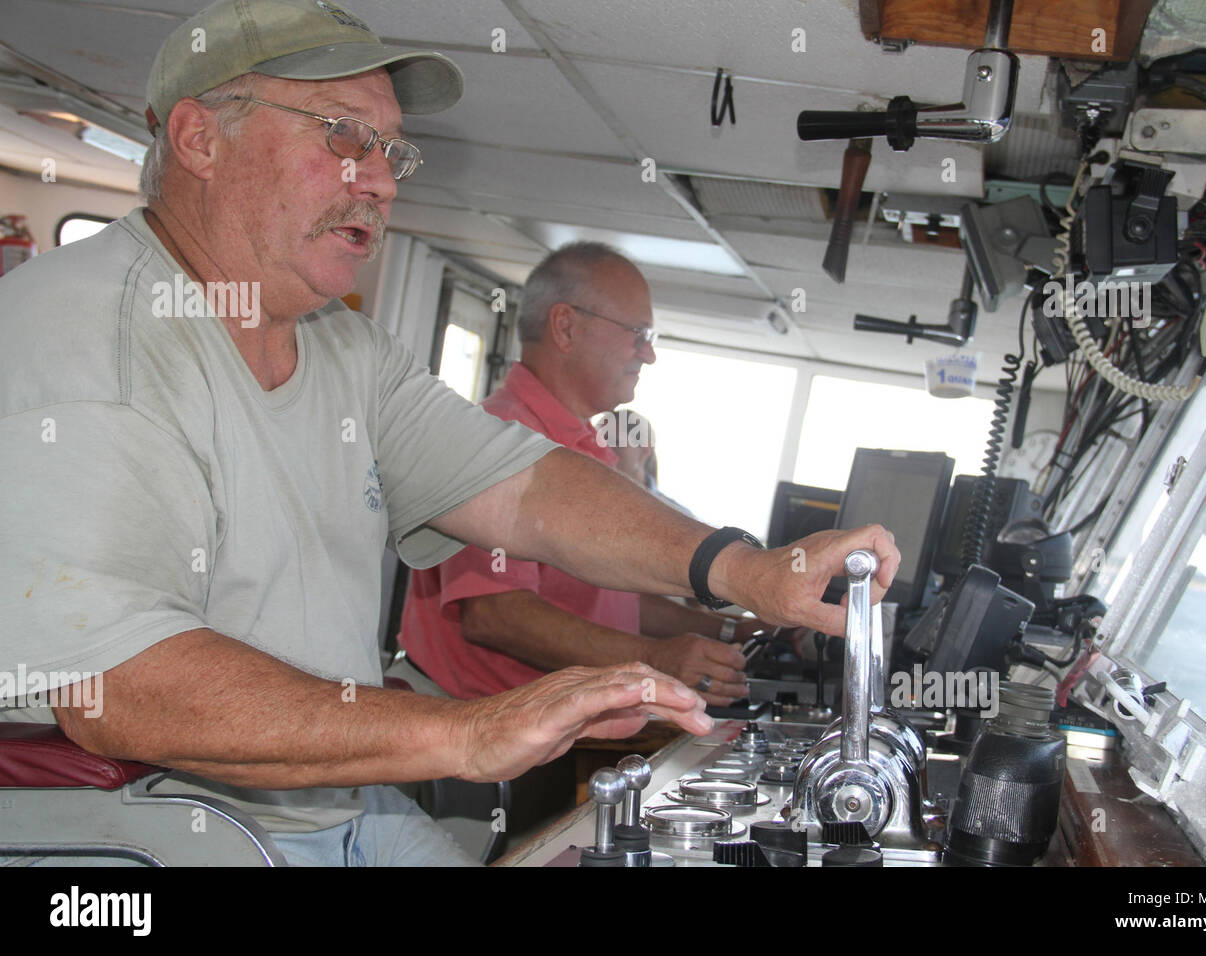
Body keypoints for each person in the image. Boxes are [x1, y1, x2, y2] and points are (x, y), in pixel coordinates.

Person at [0, 0, 899, 866]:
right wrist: (470, 732)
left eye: (391, 150)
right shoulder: (84, 339)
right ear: (200, 138)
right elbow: (123, 689)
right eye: (343, 134)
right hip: (159, 827)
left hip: (336, 805)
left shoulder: (339, 344)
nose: (384, 178)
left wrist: (745, 569)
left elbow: (524, 488)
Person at [399, 247, 762, 707]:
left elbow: (611, 600)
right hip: (473, 751)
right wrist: (655, 658)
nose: (648, 354)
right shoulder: (493, 442)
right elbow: (496, 614)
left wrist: (733, 630)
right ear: (566, 326)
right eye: (638, 333)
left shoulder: (585, 448)